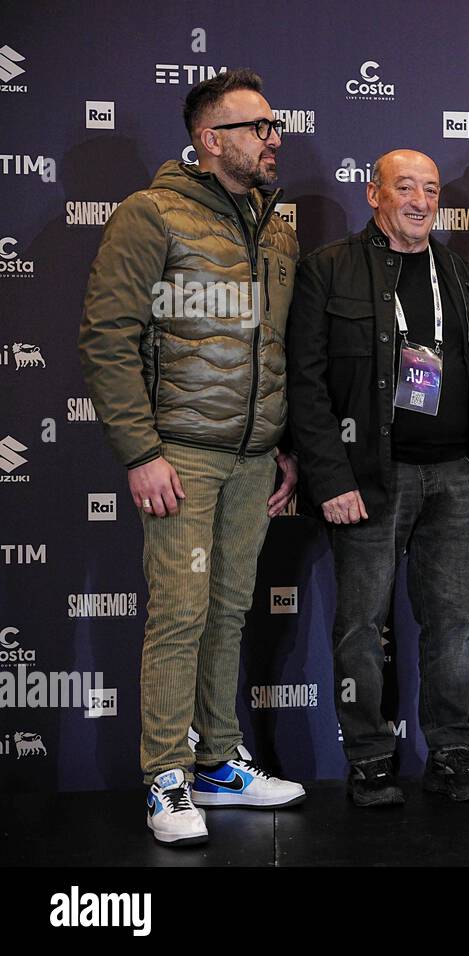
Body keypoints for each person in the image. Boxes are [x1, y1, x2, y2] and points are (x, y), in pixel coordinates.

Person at [79, 69, 305, 846]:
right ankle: (166, 777)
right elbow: (108, 337)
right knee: (179, 614)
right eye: (258, 126)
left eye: (275, 126)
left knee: (228, 613)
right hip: (180, 450)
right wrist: (141, 451)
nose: (274, 138)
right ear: (212, 139)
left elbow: (275, 346)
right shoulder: (152, 214)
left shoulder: (276, 224)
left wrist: (282, 446)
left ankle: (217, 762)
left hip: (252, 455)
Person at [287, 150, 469, 807]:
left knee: (454, 623)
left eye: (430, 190)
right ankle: (370, 759)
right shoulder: (328, 270)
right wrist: (331, 478)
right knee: (360, 626)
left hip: (454, 477)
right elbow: (307, 384)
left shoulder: (457, 274)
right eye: (404, 187)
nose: (419, 200)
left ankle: (452, 753)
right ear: (373, 193)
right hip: (370, 478)